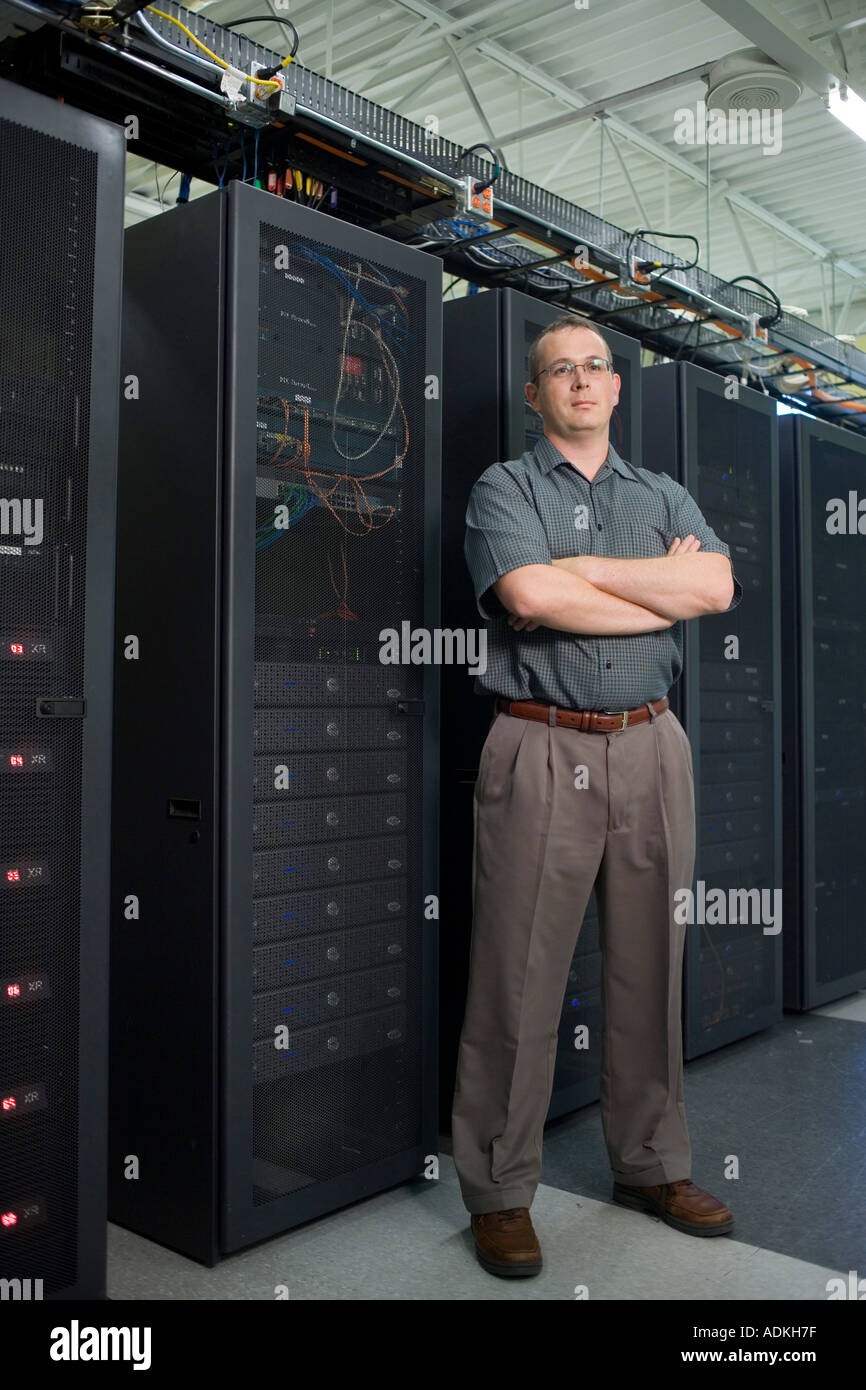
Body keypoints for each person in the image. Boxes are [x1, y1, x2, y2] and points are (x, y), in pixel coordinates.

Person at [451, 312, 743, 1278]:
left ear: (617, 387)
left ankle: (651, 1165)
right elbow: (531, 600)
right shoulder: (505, 488)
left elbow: (716, 590)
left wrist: (586, 572)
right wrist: (651, 588)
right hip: (540, 746)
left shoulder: (661, 490)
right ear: (535, 395)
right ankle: (499, 1190)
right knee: (517, 975)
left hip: (654, 745)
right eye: (557, 371)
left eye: (594, 367)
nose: (579, 381)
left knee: (652, 966)